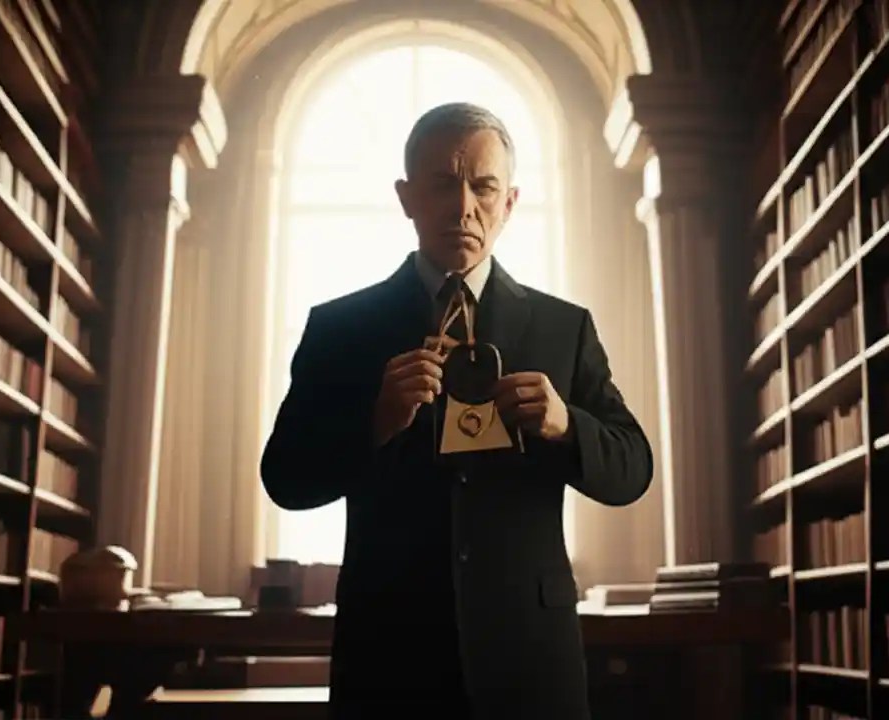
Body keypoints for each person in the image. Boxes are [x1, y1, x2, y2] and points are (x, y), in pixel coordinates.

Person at [260, 102, 653, 720]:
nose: (464, 205)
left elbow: (634, 469)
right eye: (443, 183)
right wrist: (375, 421)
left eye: (484, 186)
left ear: (510, 201)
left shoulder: (564, 327)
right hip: (390, 659)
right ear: (406, 196)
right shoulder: (340, 328)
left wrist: (565, 424)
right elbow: (283, 478)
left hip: (530, 659)